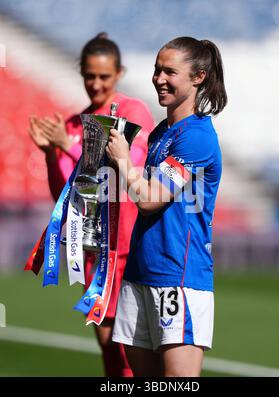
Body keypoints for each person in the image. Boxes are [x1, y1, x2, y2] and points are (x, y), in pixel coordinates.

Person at [28, 33, 155, 377]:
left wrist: (66, 147)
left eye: (104, 76)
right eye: (89, 75)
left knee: (132, 343)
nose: (96, 84)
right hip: (94, 248)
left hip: (128, 245)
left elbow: (124, 172)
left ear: (119, 73)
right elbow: (65, 193)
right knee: (106, 339)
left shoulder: (132, 111)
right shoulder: (71, 125)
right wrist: (52, 152)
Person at [106, 36, 227, 377]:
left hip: (178, 277)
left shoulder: (197, 136)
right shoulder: (162, 131)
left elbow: (148, 200)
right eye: (157, 69)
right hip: (140, 273)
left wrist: (121, 160)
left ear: (198, 77)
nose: (159, 78)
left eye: (170, 71)